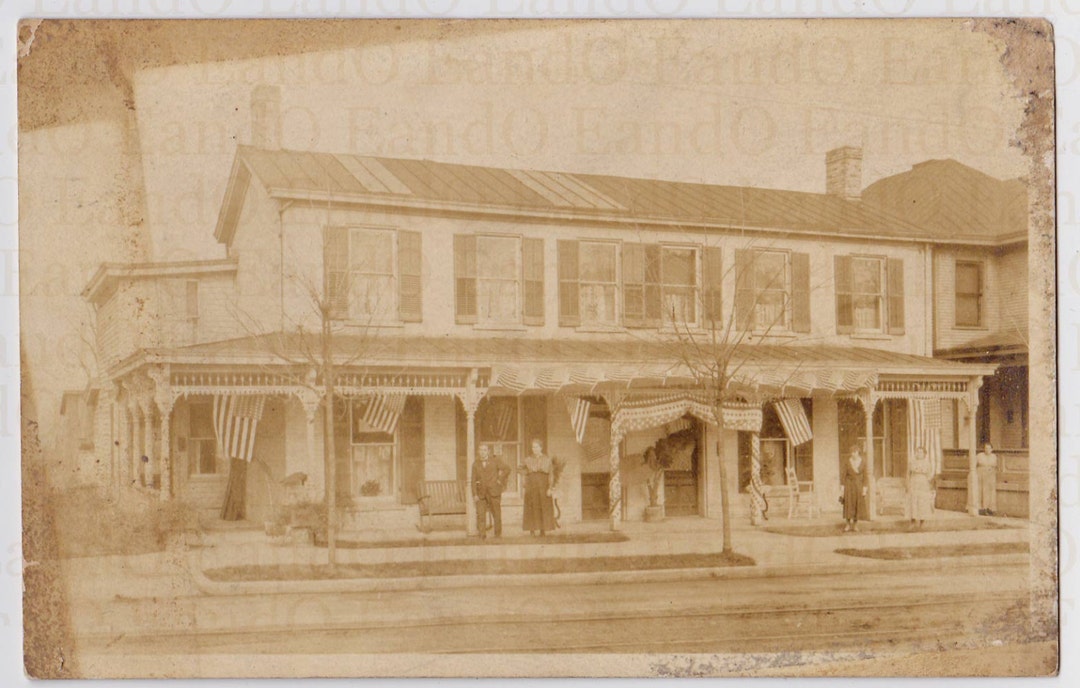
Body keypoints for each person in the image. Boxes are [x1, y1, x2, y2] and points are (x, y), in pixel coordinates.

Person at [472, 444, 510, 539]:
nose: (482, 452)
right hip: (481, 493)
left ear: (488, 451)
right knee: (481, 514)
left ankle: (497, 534)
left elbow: (507, 469)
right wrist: (475, 494)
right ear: (478, 451)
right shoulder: (475, 463)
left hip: (494, 491)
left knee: (496, 514)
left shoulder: (495, 460)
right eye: (480, 450)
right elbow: (473, 479)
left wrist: (499, 480)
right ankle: (482, 535)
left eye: (484, 450)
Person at [521, 438, 556, 536]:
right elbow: (520, 469)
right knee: (531, 507)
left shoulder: (547, 459)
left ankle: (542, 529)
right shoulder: (528, 459)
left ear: (541, 448)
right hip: (531, 485)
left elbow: (551, 475)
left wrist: (550, 488)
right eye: (533, 447)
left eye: (536, 447)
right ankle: (531, 529)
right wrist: (525, 476)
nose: (534, 449)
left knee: (542, 506)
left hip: (543, 485)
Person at [841, 443, 869, 532]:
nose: (854, 454)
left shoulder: (863, 462)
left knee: (857, 505)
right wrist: (842, 488)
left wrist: (864, 489)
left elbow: (865, 477)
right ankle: (848, 524)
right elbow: (843, 476)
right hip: (849, 485)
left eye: (855, 452)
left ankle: (855, 525)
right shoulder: (847, 462)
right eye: (852, 452)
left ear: (858, 452)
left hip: (858, 486)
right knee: (848, 505)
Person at [908, 446, 935, 528]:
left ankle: (922, 522)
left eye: (921, 452)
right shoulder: (912, 462)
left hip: (923, 483)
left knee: (922, 502)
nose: (919, 454)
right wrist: (909, 484)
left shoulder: (927, 463)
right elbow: (909, 473)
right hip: (914, 482)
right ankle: (913, 521)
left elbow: (929, 475)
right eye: (917, 452)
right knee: (914, 501)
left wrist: (928, 482)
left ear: (924, 454)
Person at [976, 442, 999, 516]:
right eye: (986, 448)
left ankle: (990, 508)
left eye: (989, 448)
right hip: (981, 476)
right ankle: (982, 509)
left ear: (992, 449)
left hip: (990, 476)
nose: (987, 450)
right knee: (981, 491)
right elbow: (974, 465)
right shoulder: (979, 455)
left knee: (990, 492)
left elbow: (995, 466)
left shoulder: (994, 456)